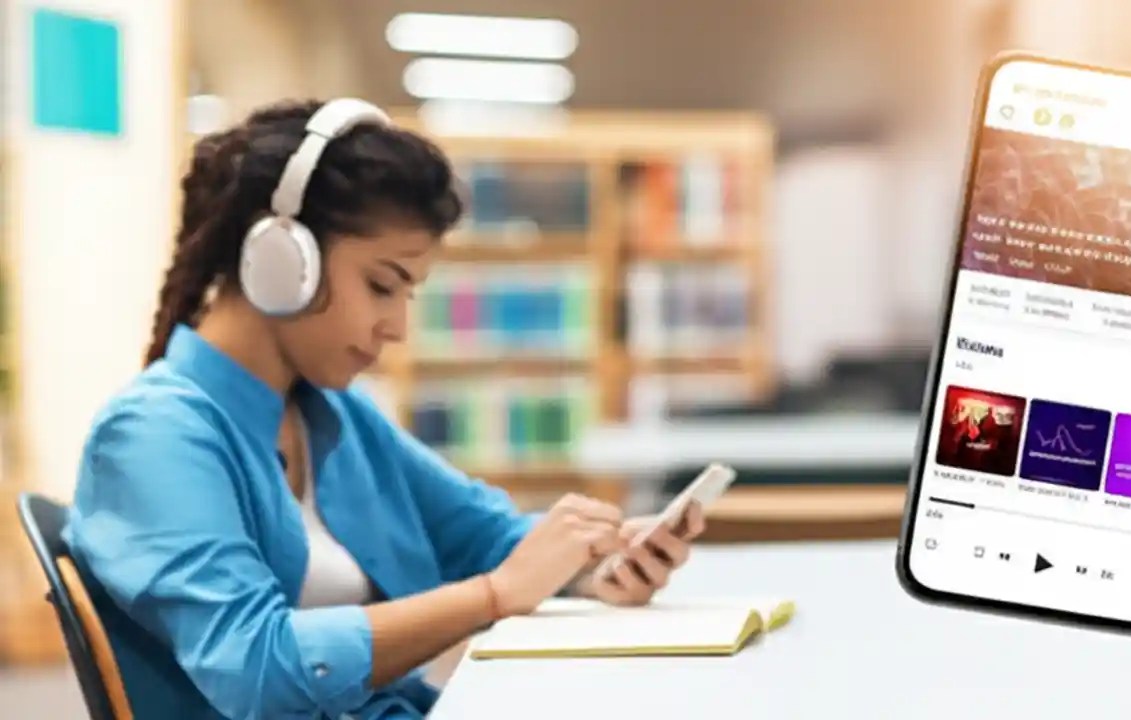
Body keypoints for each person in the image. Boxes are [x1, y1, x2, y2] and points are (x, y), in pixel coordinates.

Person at [62, 97, 706, 720]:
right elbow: (253, 667)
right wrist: (493, 596)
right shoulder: (153, 435)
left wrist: (594, 560)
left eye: (407, 295)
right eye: (380, 285)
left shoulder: (334, 414)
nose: (397, 326)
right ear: (280, 263)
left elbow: (483, 536)